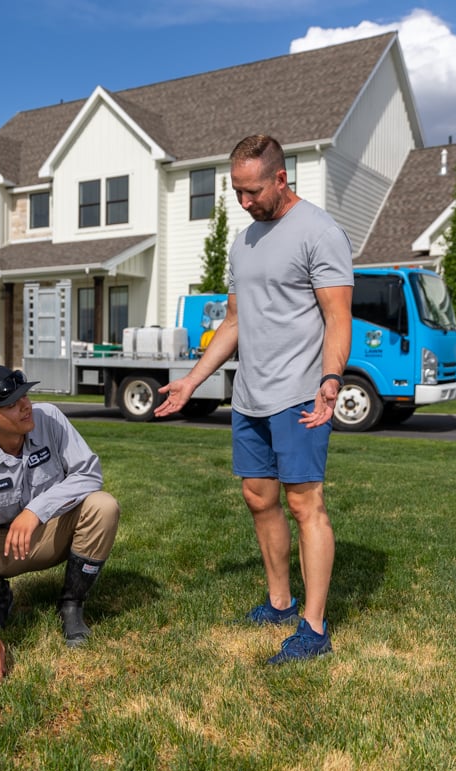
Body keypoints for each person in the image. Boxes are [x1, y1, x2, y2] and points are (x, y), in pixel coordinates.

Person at [156, 133, 353, 664]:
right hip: (250, 396)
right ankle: (280, 601)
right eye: (236, 192)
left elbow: (338, 317)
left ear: (281, 178)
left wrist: (331, 381)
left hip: (298, 394)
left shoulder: (319, 232)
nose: (245, 202)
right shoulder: (243, 242)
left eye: (252, 191)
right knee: (259, 498)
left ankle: (313, 627)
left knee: (303, 503)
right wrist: (192, 381)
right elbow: (235, 322)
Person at [0, 364, 119, 682]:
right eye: (11, 404)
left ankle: (72, 605)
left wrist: (35, 511)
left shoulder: (49, 418)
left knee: (103, 506)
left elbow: (90, 473)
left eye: (26, 396)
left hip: (49, 530)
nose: (26, 405)